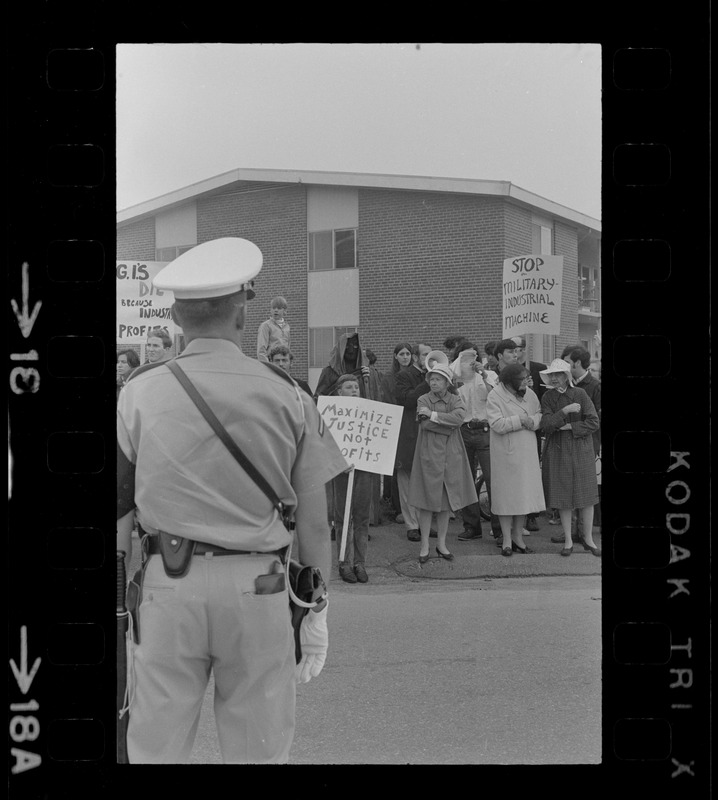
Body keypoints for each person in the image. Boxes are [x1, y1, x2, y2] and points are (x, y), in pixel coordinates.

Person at [116, 238, 347, 764]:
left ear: (175, 316)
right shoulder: (289, 393)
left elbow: (118, 508)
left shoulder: (137, 393)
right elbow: (316, 523)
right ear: (245, 312)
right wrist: (316, 606)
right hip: (259, 587)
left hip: (166, 586)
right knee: (258, 751)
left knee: (155, 748)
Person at [409, 362, 477, 564]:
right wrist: (445, 425)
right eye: (431, 379)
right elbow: (425, 422)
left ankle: (441, 543)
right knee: (426, 501)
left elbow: (458, 418)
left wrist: (434, 416)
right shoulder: (423, 399)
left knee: (446, 503)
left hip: (451, 454)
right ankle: (424, 545)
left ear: (447, 382)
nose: (433, 382)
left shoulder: (455, 399)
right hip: (428, 453)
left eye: (438, 379)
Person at [539, 359, 601, 557]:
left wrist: (570, 426)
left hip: (581, 449)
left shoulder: (580, 394)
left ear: (566, 376)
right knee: (563, 496)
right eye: (551, 375)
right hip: (558, 450)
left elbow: (593, 422)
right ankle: (568, 540)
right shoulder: (548, 397)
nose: (554, 378)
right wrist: (565, 412)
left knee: (587, 496)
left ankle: (588, 538)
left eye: (558, 374)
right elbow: (546, 425)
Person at [486, 363, 545, 556]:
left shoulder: (530, 394)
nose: (527, 381)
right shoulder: (495, 395)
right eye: (522, 378)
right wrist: (520, 420)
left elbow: (538, 415)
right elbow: (496, 423)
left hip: (527, 451)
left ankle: (518, 538)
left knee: (523, 497)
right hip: (506, 453)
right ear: (510, 380)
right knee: (506, 497)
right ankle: (506, 540)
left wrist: (533, 422)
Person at [449, 342, 502, 542]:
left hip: (485, 430)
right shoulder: (456, 380)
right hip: (464, 430)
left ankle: (498, 528)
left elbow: (496, 396)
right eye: (464, 358)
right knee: (467, 481)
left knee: (492, 479)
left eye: (472, 358)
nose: (469, 362)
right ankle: (472, 527)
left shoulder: (490, 376)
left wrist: (485, 373)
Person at [330, 374, 373, 584]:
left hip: (364, 470)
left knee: (362, 517)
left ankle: (360, 562)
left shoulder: (369, 411)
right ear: (339, 391)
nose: (354, 390)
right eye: (349, 387)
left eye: (356, 387)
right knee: (342, 518)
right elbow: (326, 444)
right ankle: (344, 563)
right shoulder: (332, 413)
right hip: (341, 471)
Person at [394, 342, 432, 542]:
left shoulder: (436, 377)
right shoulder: (404, 376)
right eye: (426, 355)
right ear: (417, 358)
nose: (429, 359)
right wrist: (426, 382)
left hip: (429, 434)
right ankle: (412, 524)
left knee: (427, 481)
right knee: (407, 482)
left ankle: (425, 522)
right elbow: (407, 400)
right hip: (409, 434)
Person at [511, 335, 547, 532]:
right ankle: (516, 515)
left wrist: (530, 390)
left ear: (524, 349)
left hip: (532, 428)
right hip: (513, 428)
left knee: (532, 472)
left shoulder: (539, 368)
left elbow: (543, 399)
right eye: (512, 349)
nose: (516, 352)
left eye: (518, 348)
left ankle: (531, 515)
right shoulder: (509, 371)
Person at [379, 342, 414, 519]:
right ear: (395, 356)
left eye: (408, 353)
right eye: (402, 354)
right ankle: (398, 508)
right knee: (396, 467)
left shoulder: (417, 375)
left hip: (411, 423)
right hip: (395, 422)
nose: (405, 357)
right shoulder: (388, 378)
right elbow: (386, 398)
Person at [314, 331, 382, 401]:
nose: (351, 350)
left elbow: (377, 397)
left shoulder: (368, 372)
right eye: (347, 346)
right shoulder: (329, 372)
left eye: (355, 345)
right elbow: (319, 399)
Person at [256, 296, 290, 362]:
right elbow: (261, 351)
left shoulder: (287, 327)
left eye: (279, 308)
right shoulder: (266, 326)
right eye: (273, 308)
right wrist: (267, 368)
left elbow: (288, 349)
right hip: (271, 363)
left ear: (285, 311)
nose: (276, 310)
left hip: (282, 364)